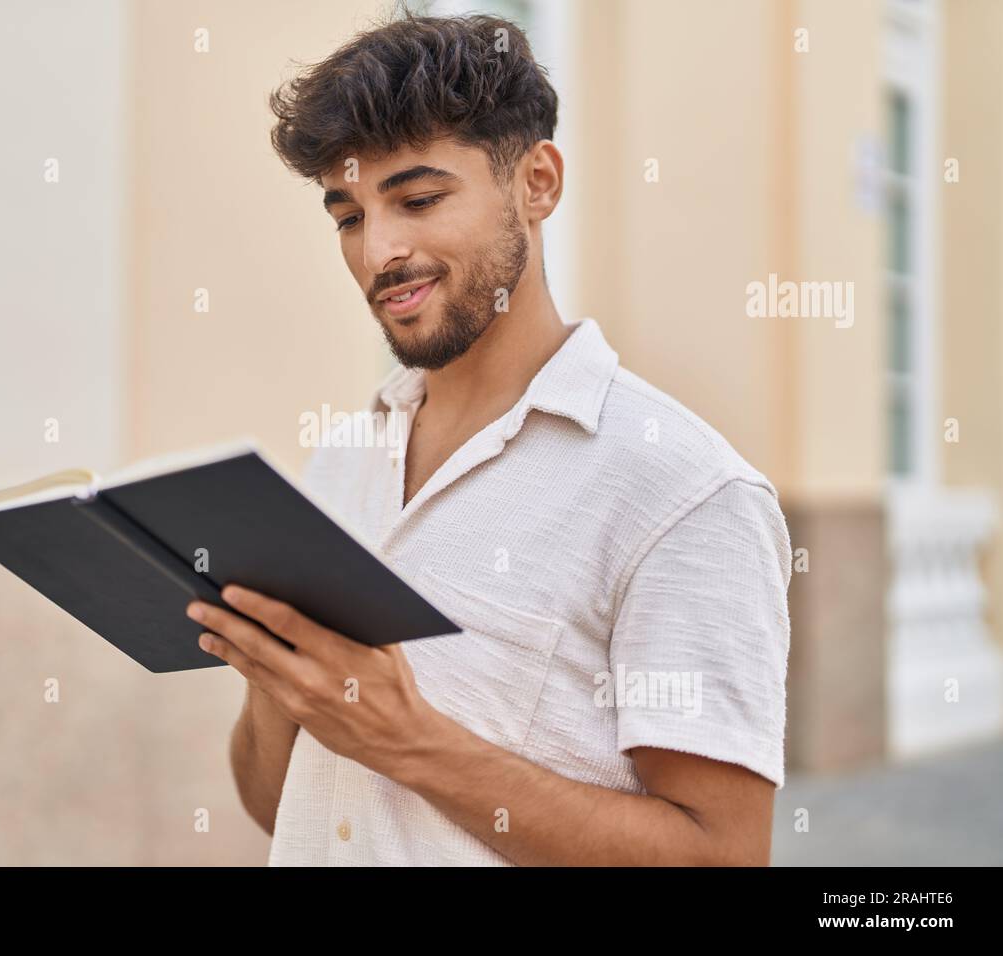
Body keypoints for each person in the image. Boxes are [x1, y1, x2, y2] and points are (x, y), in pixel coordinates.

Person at [185, 11, 792, 866]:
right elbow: (277, 806)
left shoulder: (685, 493)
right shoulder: (343, 460)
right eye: (348, 216)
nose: (379, 252)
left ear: (537, 183)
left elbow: (722, 856)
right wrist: (277, 679)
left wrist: (409, 740)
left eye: (420, 199)